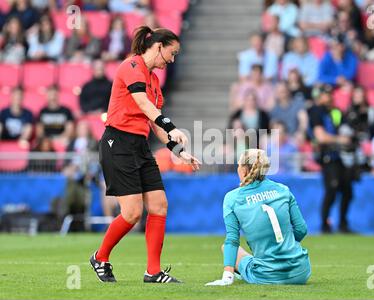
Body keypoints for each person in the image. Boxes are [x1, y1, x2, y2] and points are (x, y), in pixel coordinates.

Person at [89, 26, 201, 283]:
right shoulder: (131, 66)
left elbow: (153, 122)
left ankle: (153, 272)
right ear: (159, 46)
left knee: (160, 205)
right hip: (117, 143)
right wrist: (172, 126)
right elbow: (143, 103)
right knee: (132, 214)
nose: (172, 60)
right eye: (171, 54)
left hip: (139, 145)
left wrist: (177, 150)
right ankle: (100, 257)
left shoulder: (154, 79)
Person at [205, 149, 311, 286]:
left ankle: (234, 276)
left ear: (243, 170)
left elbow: (232, 240)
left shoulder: (232, 198)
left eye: (238, 165)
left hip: (267, 276)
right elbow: (301, 229)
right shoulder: (283, 189)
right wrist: (282, 246)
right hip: (300, 272)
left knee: (226, 248)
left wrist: (226, 278)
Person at [308, 84, 355, 233]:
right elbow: (320, 136)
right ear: (320, 96)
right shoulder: (316, 111)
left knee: (347, 190)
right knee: (332, 190)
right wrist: (341, 140)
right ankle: (325, 225)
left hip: (337, 156)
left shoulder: (331, 112)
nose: (330, 97)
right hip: (328, 156)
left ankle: (343, 224)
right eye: (327, 94)